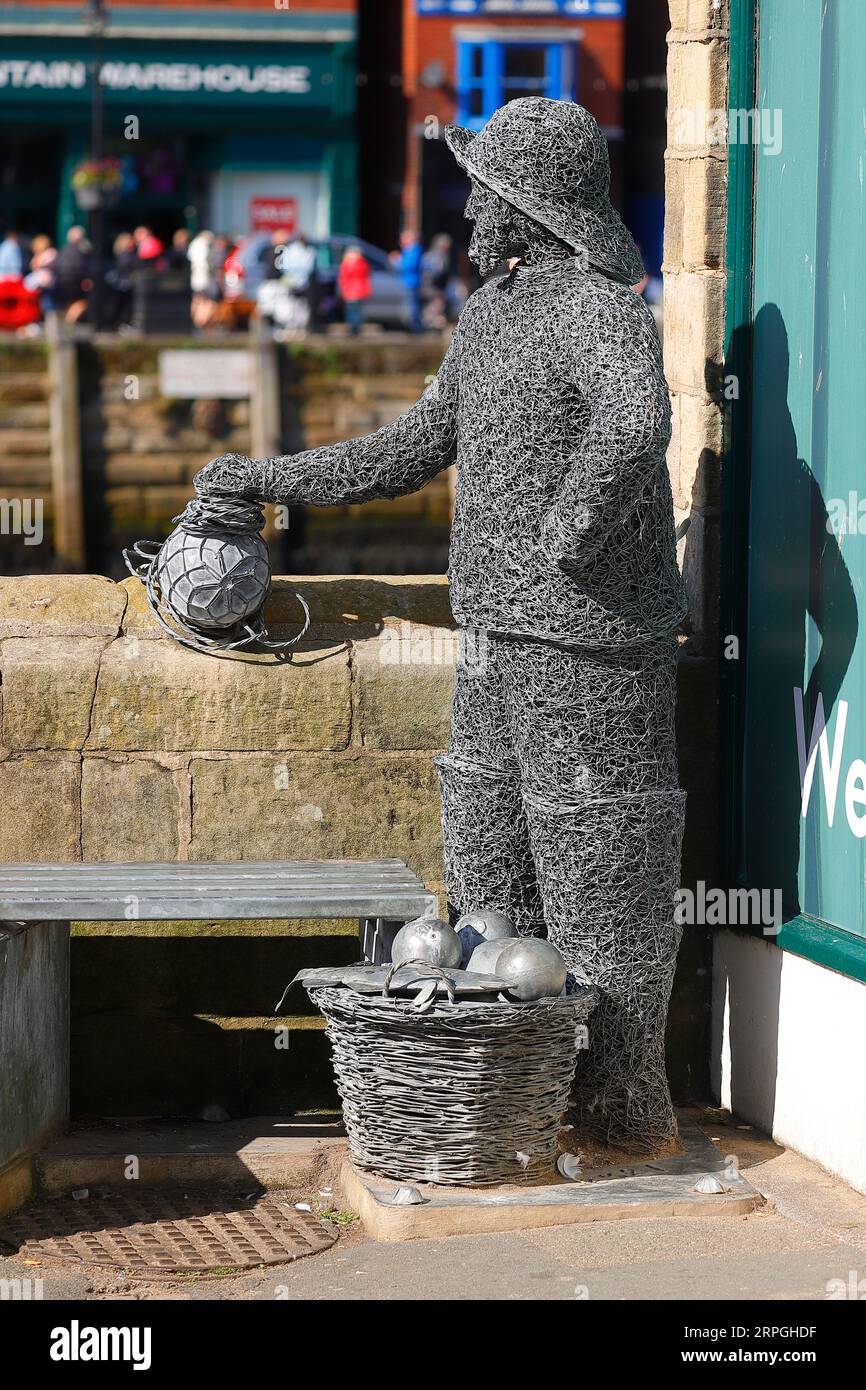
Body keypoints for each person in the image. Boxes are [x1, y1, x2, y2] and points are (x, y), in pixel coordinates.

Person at [194, 99, 688, 1152]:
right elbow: (408, 447)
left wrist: (568, 533)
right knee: (487, 864)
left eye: (478, 192)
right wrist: (267, 478)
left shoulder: (598, 309)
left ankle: (621, 1106)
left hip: (586, 642)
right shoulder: (492, 317)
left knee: (600, 862)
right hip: (497, 639)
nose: (464, 214)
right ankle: (509, 1102)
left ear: (521, 204)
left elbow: (636, 418)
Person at [52, 225, 92, 322]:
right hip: (74, 281)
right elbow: (80, 267)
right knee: (83, 301)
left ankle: (68, 319)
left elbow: (56, 265)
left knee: (69, 303)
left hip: (62, 280)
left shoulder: (63, 249)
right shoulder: (80, 251)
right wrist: (85, 278)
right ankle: (70, 319)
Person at [187, 230, 220, 330]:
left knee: (198, 300)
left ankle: (199, 322)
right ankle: (202, 322)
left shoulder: (194, 246)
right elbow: (208, 265)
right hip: (204, 280)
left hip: (197, 280)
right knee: (207, 302)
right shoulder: (203, 246)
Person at [337, 244, 371, 336]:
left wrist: (343, 289)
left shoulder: (348, 264)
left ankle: (353, 328)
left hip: (351, 291)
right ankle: (356, 328)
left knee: (352, 310)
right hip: (359, 290)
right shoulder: (362, 263)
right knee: (356, 310)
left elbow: (343, 278)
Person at [105, 231, 137, 328]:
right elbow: (126, 268)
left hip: (123, 284)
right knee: (122, 305)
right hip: (123, 285)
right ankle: (118, 323)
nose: (131, 242)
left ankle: (115, 323)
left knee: (120, 305)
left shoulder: (125, 254)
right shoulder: (124, 254)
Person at [397, 229, 424, 333]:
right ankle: (412, 326)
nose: (401, 241)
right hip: (407, 282)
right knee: (410, 305)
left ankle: (415, 328)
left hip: (412, 282)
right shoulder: (408, 250)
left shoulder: (414, 250)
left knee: (413, 306)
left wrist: (397, 261)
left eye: (403, 238)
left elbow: (408, 265)